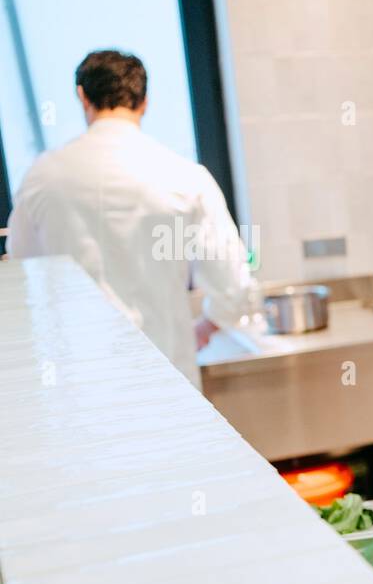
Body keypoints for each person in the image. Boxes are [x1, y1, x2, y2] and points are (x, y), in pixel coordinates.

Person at [5, 49, 256, 387]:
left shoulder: (42, 177)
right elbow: (232, 283)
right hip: (168, 379)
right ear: (144, 101)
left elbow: (23, 271)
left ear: (82, 97)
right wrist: (206, 326)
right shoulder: (185, 177)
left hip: (81, 382)